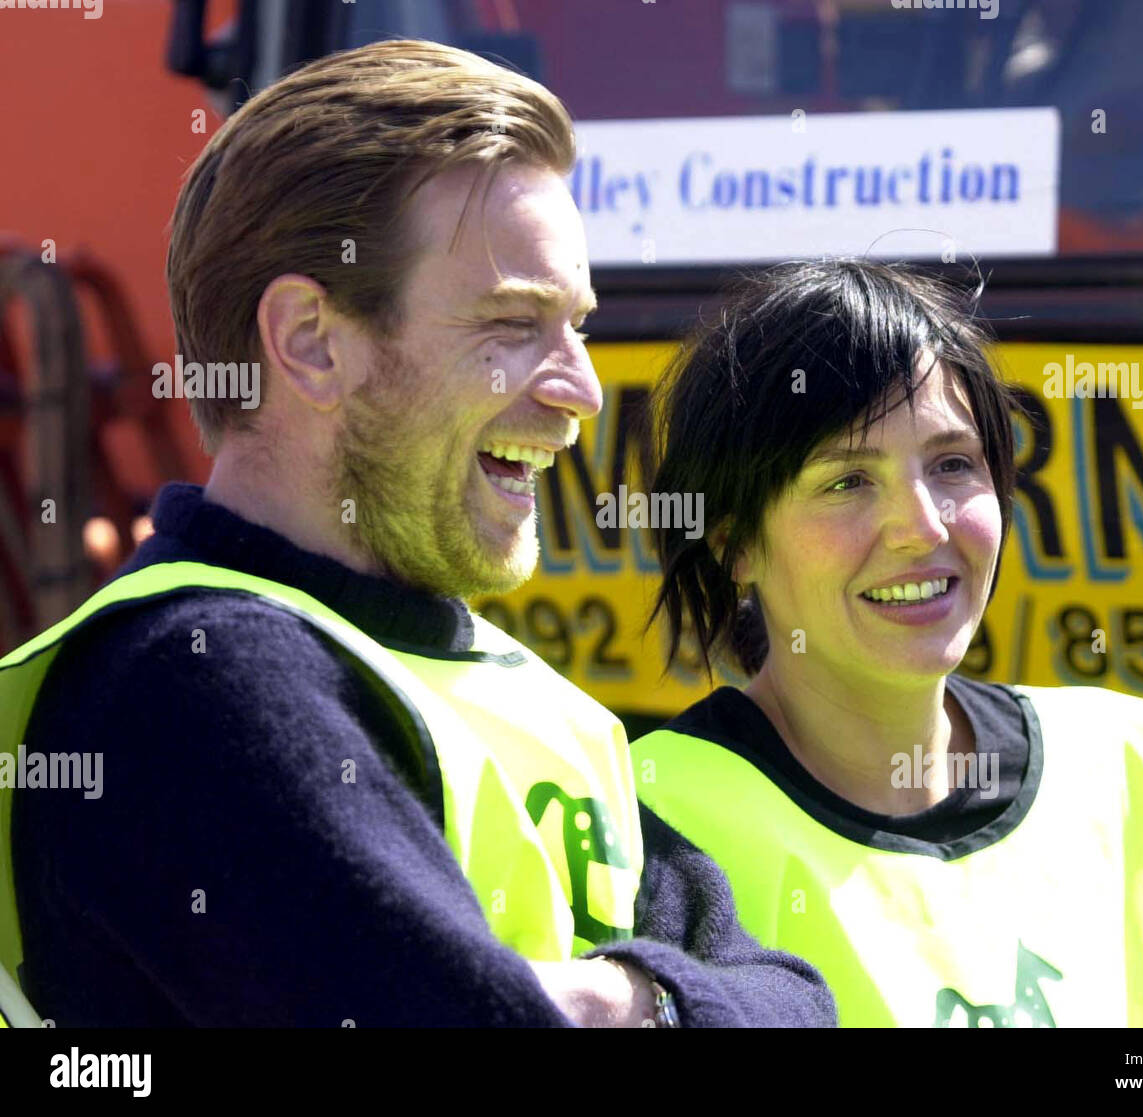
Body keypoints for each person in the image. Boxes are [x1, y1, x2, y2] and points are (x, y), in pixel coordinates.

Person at [0, 40, 835, 1028]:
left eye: (577, 326)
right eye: (513, 326)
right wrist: (666, 994)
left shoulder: (531, 702)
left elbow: (796, 997)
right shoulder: (192, 678)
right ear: (311, 343)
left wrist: (610, 1000)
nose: (580, 390)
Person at [632, 259, 1143, 1027]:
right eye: (847, 480)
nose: (923, 527)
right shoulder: (646, 815)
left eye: (953, 464)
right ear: (734, 544)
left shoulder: (1117, 765)